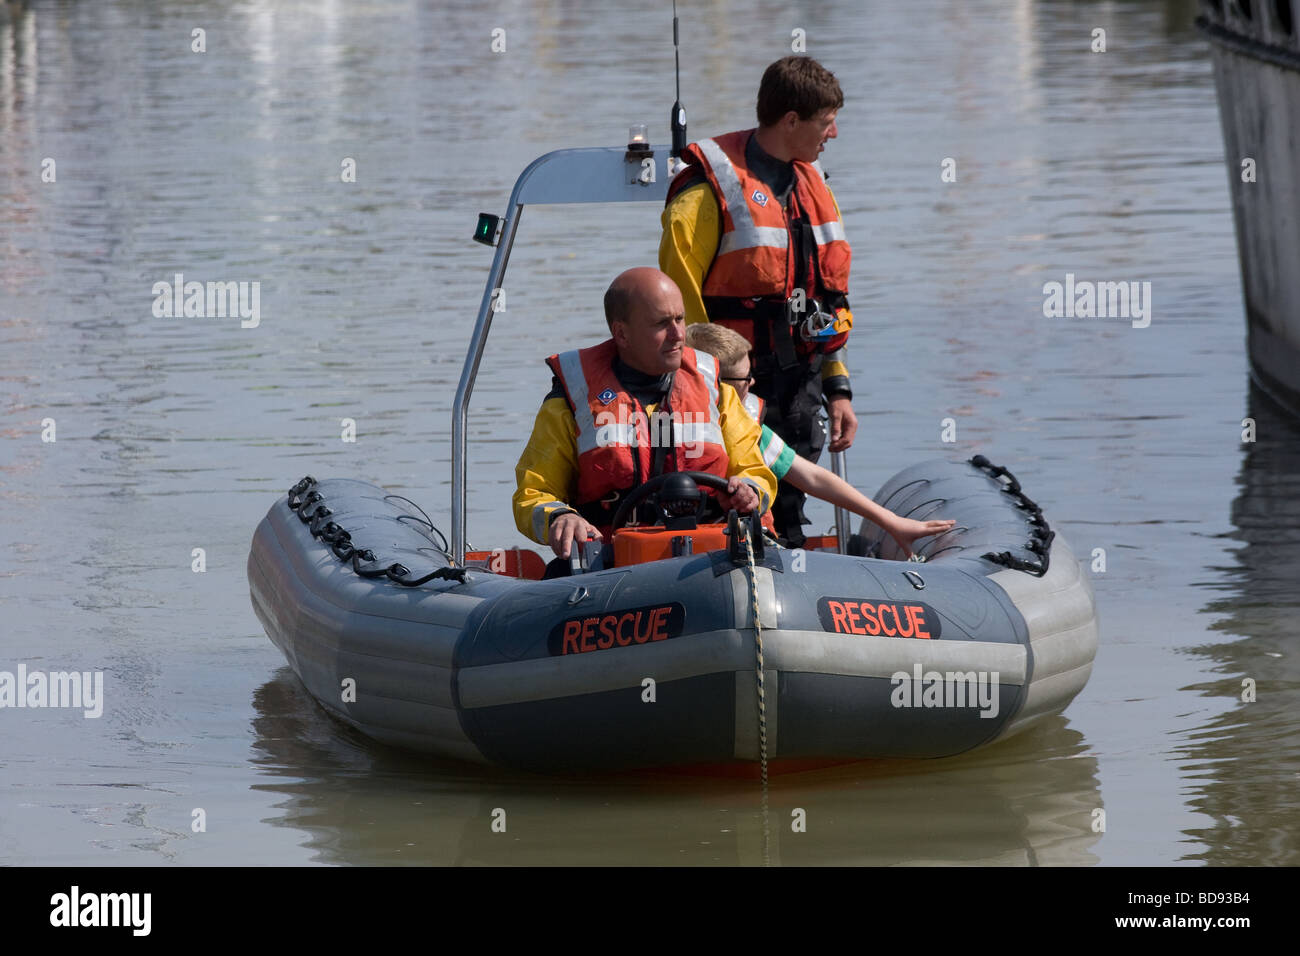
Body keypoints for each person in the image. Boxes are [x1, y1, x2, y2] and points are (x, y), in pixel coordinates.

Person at [660, 55, 858, 549]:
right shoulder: (708, 193)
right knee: (727, 502)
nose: (832, 135)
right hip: (729, 391)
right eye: (826, 124)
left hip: (800, 388)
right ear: (791, 120)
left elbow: (827, 297)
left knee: (789, 510)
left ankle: (791, 567)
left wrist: (838, 389)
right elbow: (679, 311)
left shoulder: (816, 189)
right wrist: (713, 393)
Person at [512, 268, 778, 567]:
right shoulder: (572, 401)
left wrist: (749, 491)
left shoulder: (714, 390)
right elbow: (533, 494)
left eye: (680, 319)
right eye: (662, 324)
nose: (679, 335)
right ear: (622, 333)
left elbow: (756, 472)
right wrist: (559, 517)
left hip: (715, 561)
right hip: (614, 569)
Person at [685, 323, 954, 558]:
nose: (753, 382)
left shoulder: (751, 431)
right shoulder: (672, 425)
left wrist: (891, 522)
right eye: (746, 377)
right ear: (718, 384)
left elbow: (814, 478)